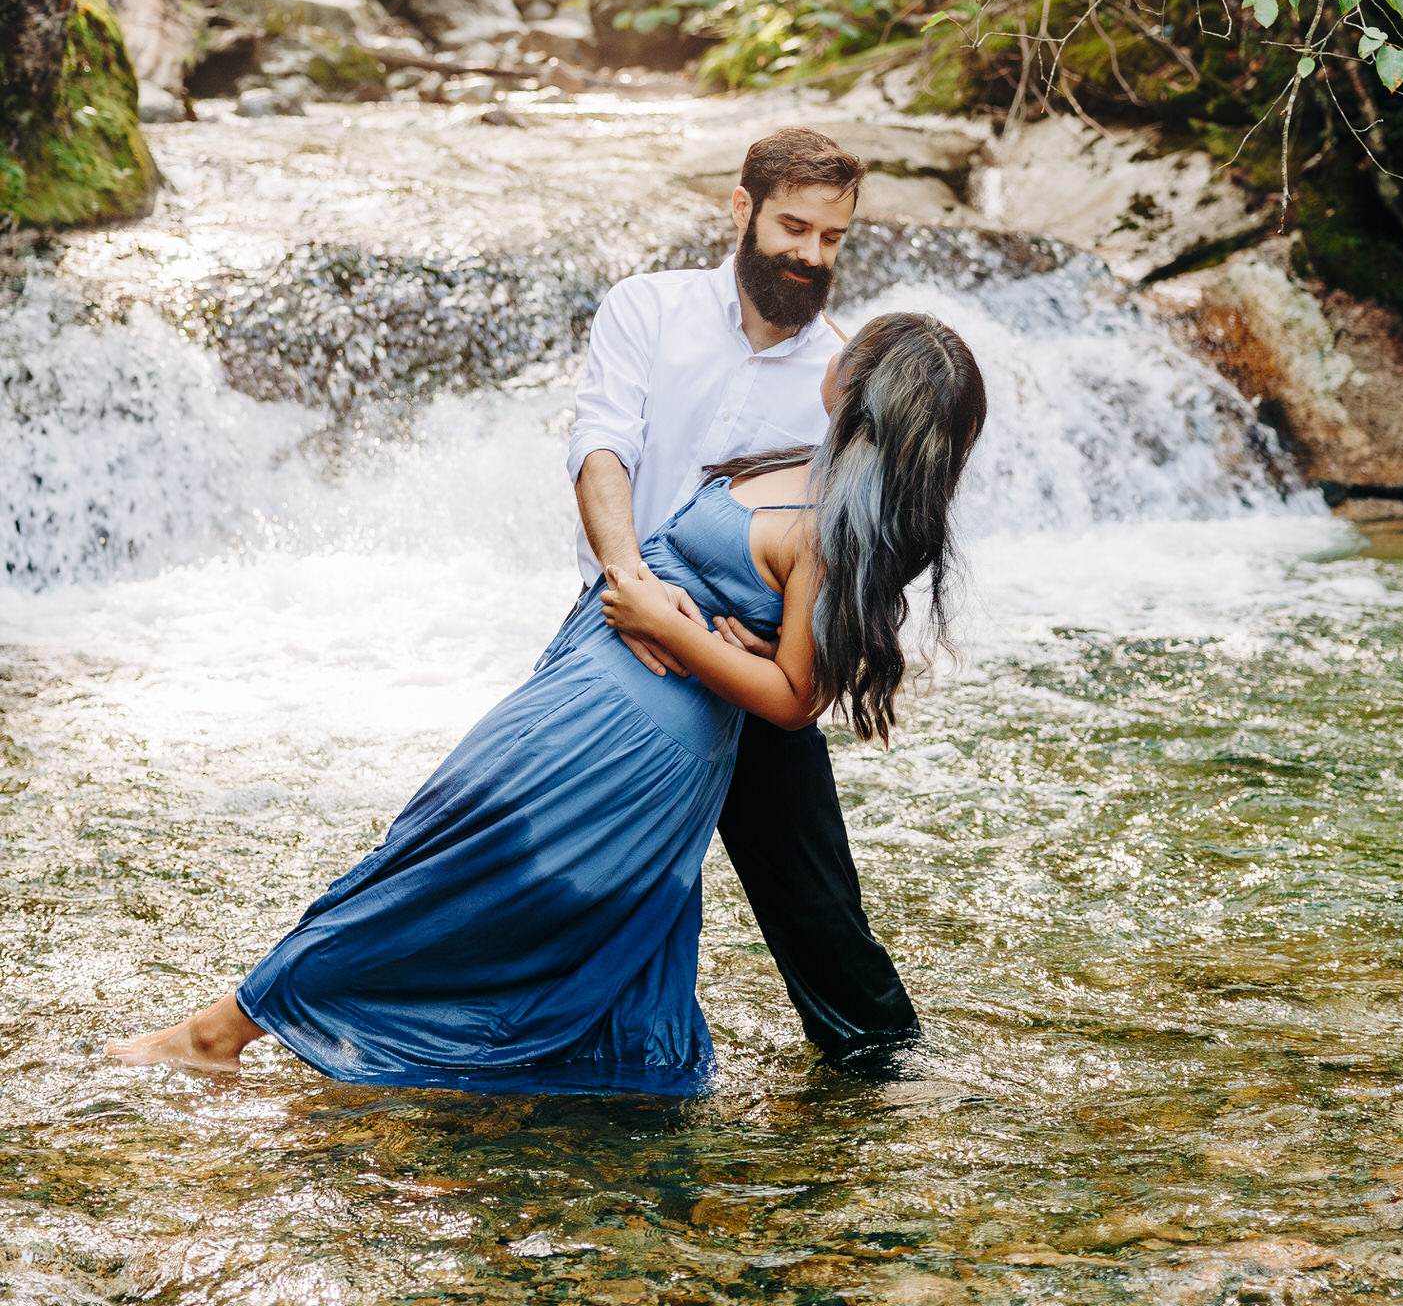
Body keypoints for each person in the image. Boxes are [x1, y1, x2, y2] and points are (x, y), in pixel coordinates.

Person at [104, 312, 987, 1091]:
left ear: (857, 388)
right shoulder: (812, 470)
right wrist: (694, 619)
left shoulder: (838, 529)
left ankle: (216, 1033)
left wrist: (662, 619)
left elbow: (794, 700)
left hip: (628, 741)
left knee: (437, 869)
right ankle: (464, 1056)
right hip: (592, 701)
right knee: (452, 860)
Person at [569, 127, 918, 1059]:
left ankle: (887, 1093)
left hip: (756, 669)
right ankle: (600, 1090)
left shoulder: (847, 379)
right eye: (793, 227)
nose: (810, 256)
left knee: (824, 923)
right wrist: (632, 586)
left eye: (833, 239)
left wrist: (803, 642)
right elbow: (601, 447)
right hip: (624, 644)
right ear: (742, 209)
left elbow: (876, 541)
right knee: (596, 890)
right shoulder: (646, 310)